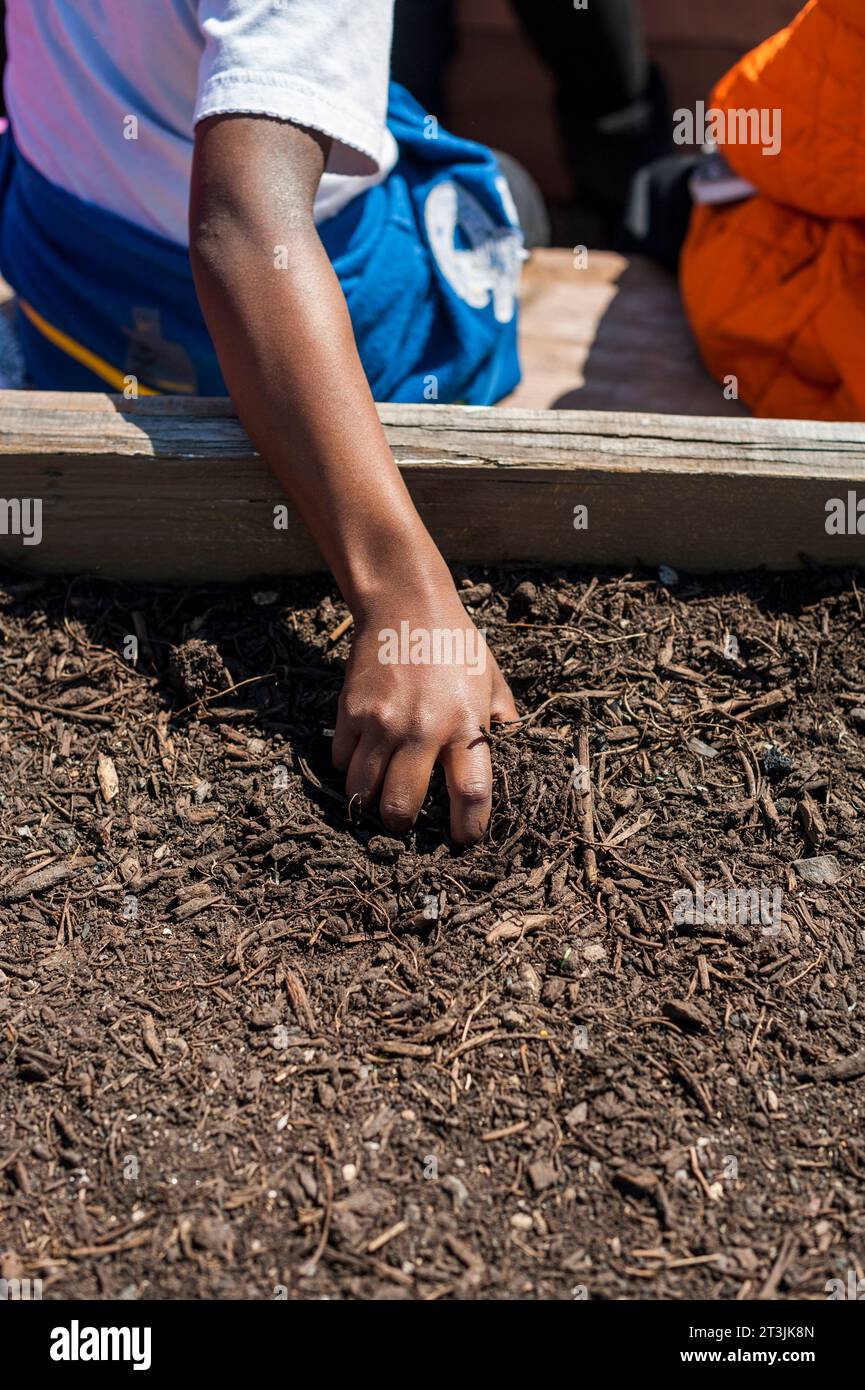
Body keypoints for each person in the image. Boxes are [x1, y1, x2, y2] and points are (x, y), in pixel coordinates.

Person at [0, 0, 524, 842]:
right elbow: (246, 227)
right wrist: (405, 598)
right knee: (498, 201)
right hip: (255, 322)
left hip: (72, 290)